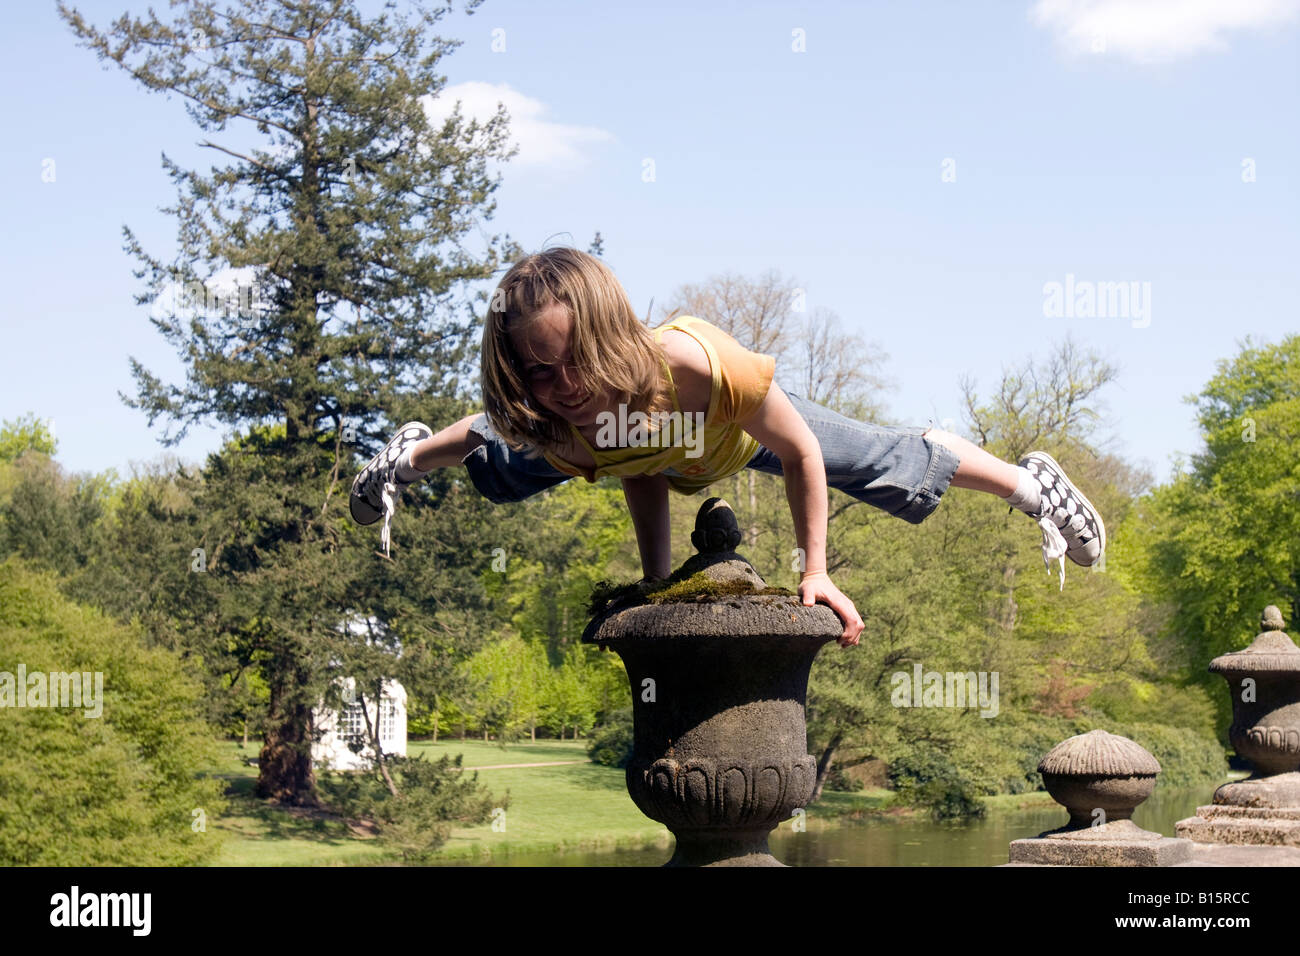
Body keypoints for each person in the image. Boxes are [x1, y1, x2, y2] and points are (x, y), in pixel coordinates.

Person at [350, 247, 1104, 647]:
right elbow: (635, 469)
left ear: (612, 337)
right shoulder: (551, 410)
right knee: (501, 457)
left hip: (731, 435)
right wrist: (654, 584)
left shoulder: (700, 366)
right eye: (538, 370)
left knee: (875, 463)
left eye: (574, 361)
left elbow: (802, 452)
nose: (564, 384)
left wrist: (817, 572)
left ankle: (1032, 484)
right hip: (667, 451)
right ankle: (406, 457)